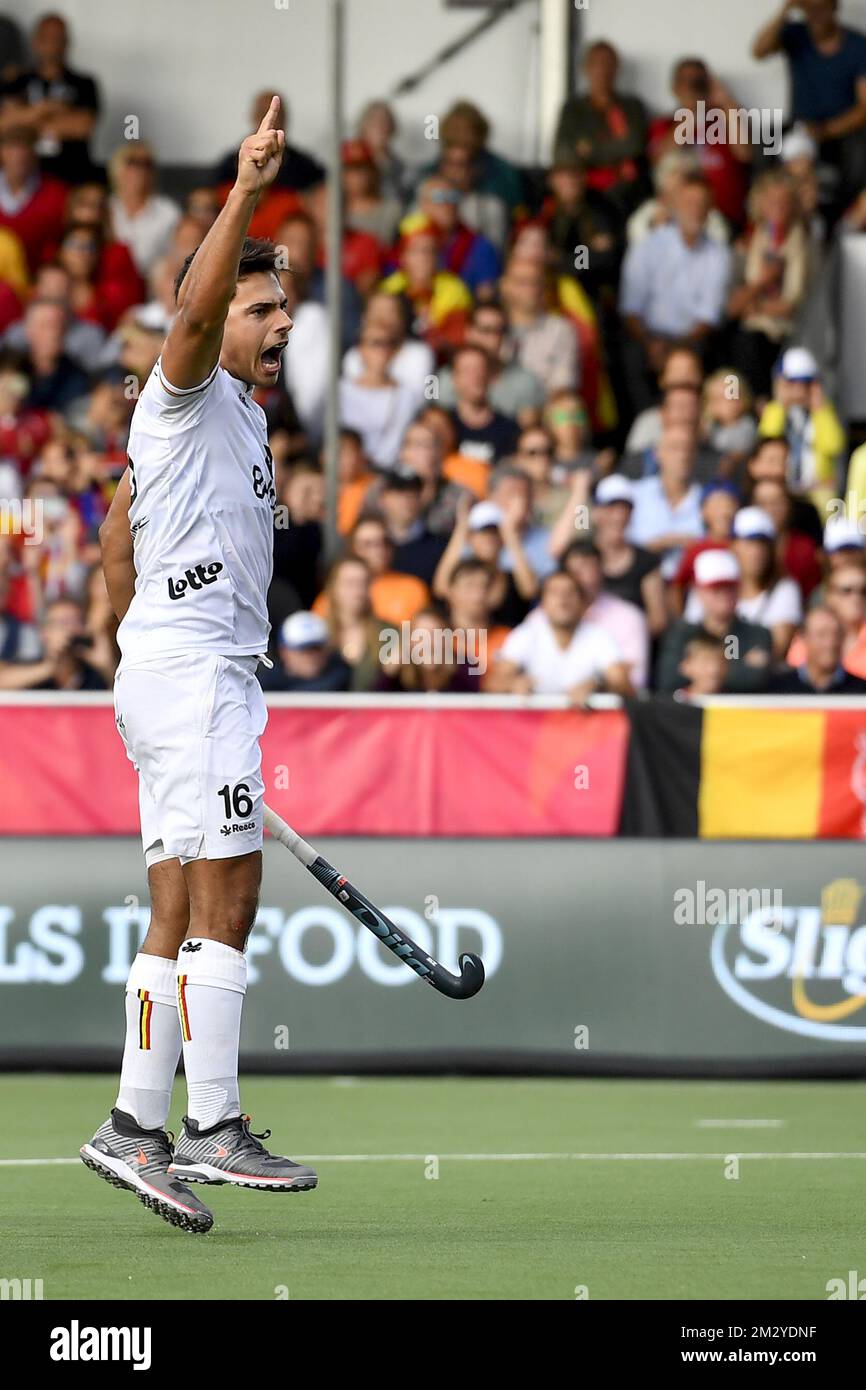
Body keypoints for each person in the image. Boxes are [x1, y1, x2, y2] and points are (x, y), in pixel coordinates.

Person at [85, 96, 316, 1236]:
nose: (282, 325)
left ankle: (134, 1127)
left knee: (175, 908)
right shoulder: (186, 388)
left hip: (175, 675)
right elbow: (189, 308)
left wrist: (136, 652)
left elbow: (116, 535)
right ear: (223, 313)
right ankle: (215, 1122)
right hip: (190, 674)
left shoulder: (240, 425)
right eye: (265, 307)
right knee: (231, 891)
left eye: (290, 311)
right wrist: (245, 189)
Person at [619, 173, 732, 410]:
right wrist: (650, 343)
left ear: (709, 210)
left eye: (701, 204)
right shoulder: (648, 246)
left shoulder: (719, 256)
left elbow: (708, 318)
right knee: (630, 356)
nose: (695, 210)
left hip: (692, 340)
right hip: (646, 335)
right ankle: (645, 422)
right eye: (689, 203)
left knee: (700, 358)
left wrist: (676, 348)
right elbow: (631, 308)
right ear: (675, 206)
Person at [752, 0, 866, 199]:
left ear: (835, 7)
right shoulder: (796, 34)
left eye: (822, 8)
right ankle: (763, 205)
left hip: (841, 129)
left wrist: (827, 130)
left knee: (860, 153)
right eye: (810, 9)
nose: (816, 15)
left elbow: (864, 107)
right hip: (799, 124)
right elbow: (759, 51)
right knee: (764, 138)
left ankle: (848, 214)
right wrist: (786, 9)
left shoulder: (858, 45)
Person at [492, 568, 634, 702]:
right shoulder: (526, 634)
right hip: (533, 725)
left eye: (570, 593)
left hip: (583, 725)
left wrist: (597, 686)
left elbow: (622, 684)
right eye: (555, 593)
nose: (563, 600)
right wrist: (512, 684)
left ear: (583, 603)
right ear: (542, 604)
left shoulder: (599, 637)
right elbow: (492, 682)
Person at [0, 12, 100, 184]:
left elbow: (82, 127)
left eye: (58, 38)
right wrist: (45, 109)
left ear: (67, 42)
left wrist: (24, 120)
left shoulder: (84, 83)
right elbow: (3, 124)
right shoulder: (16, 81)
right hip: (22, 178)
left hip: (70, 174)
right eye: (47, 37)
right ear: (35, 41)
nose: (52, 44)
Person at [656, 548, 773, 693]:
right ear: (699, 590)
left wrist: (699, 670)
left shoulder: (756, 634)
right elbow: (669, 680)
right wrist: (738, 665)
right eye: (716, 588)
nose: (724, 594)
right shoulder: (681, 634)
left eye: (730, 587)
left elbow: (755, 680)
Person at [552, 40, 648, 215]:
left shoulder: (632, 106)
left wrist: (591, 149)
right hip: (586, 186)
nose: (603, 70)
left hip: (628, 187)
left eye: (609, 64)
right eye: (597, 63)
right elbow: (563, 152)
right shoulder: (573, 108)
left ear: (617, 68)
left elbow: (634, 146)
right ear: (586, 68)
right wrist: (617, 149)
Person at [560, 538, 650, 688]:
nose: (582, 578)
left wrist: (596, 685)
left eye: (589, 568)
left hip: (612, 708)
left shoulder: (628, 617)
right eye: (575, 571)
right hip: (552, 707)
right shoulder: (542, 619)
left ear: (602, 570)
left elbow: (635, 678)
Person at [731, 505, 803, 659]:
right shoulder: (717, 584)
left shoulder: (785, 588)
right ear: (734, 545)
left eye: (763, 544)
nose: (757, 551)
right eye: (749, 542)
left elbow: (776, 649)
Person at [108, 140, 180, 278]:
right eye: (132, 162)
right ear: (117, 168)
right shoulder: (106, 208)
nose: (140, 170)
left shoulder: (168, 212)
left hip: (153, 286)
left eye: (147, 164)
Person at [0, 125, 66, 273]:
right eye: (11, 148)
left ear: (35, 152)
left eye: (24, 148)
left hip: (43, 281)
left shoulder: (56, 194)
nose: (18, 155)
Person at [770, 604, 866, 692]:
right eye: (821, 634)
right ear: (804, 638)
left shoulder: (861, 690)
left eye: (836, 634)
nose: (830, 642)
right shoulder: (778, 689)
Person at [259, 610, 351, 693]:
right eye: (303, 649)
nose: (312, 656)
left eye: (317, 648)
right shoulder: (265, 685)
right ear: (284, 652)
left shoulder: (343, 676)